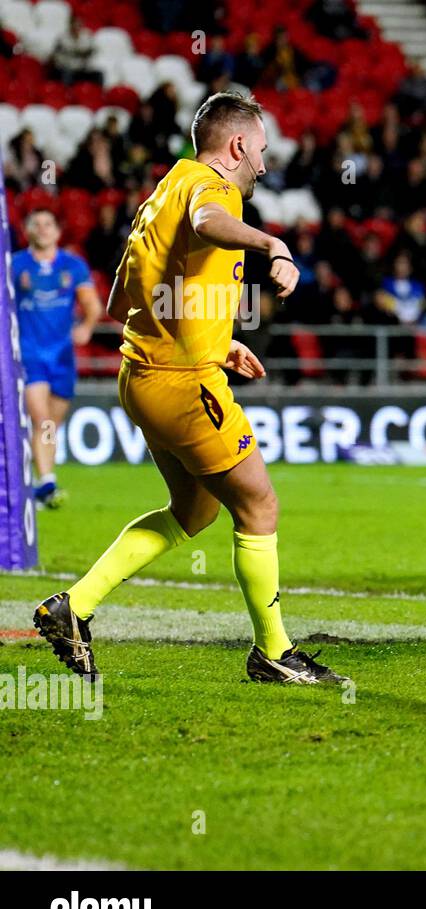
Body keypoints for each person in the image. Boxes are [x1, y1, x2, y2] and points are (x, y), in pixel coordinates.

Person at [33, 91, 346, 685]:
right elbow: (209, 222)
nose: (263, 164)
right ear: (237, 146)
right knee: (259, 506)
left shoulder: (163, 191)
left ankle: (74, 607)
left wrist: (214, 343)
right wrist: (273, 245)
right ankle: (274, 651)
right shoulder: (213, 190)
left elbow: (122, 301)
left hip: (142, 375)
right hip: (182, 386)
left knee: (195, 510)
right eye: (260, 150)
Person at [11, 209, 102, 507]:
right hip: (29, 354)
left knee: (51, 424)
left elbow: (92, 304)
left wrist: (86, 327)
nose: (42, 229)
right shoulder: (15, 265)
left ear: (58, 231)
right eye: (36, 224)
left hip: (62, 357)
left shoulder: (72, 265)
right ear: (27, 230)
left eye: (48, 224)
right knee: (41, 419)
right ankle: (48, 482)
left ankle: (42, 485)